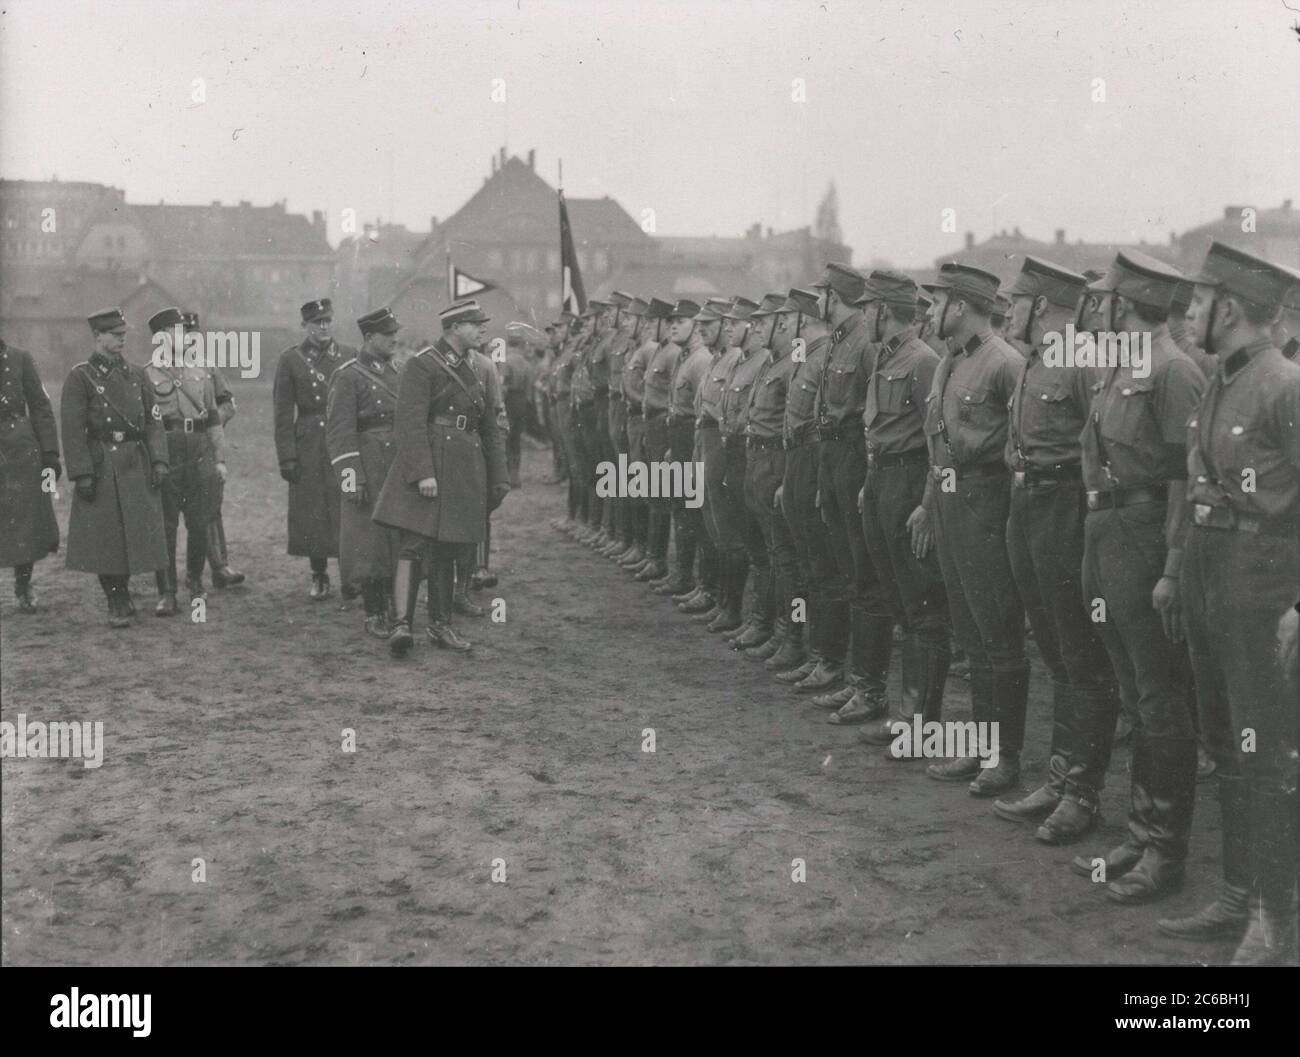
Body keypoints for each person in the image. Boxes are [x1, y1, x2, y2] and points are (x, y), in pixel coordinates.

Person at [1158, 243, 1299, 964]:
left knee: (1265, 753)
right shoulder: (1220, 379)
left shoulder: (1284, 385)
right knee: (1228, 746)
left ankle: (1277, 922)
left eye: (1198, 303)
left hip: (1262, 578)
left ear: (1232, 307)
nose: (1189, 316)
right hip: (1214, 570)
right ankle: (1238, 895)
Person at [1069, 250, 1205, 905]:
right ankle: (1139, 832)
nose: (1099, 307)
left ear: (1129, 304)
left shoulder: (1174, 370)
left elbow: (1185, 475)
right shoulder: (1120, 361)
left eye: (1108, 299)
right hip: (1108, 532)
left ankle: (1164, 853)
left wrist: (1174, 567)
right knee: (1133, 694)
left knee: (1160, 697)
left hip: (1147, 536)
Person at [992, 258, 1119, 841]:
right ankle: (1060, 778)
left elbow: (1105, 447)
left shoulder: (1082, 361)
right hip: (1029, 507)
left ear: (1039, 305)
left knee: (1081, 654)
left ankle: (1083, 795)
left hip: (1067, 508)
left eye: (1015, 301)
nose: (1008, 311)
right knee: (1054, 650)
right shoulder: (1038, 359)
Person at [920, 262, 1027, 795]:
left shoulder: (1006, 363)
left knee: (998, 635)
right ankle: (986, 749)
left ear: (960, 306)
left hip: (987, 502)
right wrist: (926, 502)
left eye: (936, 301)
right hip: (949, 500)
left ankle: (1005, 759)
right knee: (972, 637)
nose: (930, 310)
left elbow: (1024, 444)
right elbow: (936, 442)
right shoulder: (948, 363)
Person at [851, 270, 951, 758]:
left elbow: (938, 444)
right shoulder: (886, 357)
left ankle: (921, 726)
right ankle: (906, 717)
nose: (863, 315)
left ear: (883, 311)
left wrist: (928, 508)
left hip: (911, 487)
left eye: (867, 308)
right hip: (882, 483)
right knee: (900, 605)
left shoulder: (924, 362)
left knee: (923, 609)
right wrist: (870, 487)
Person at [373, 300, 508, 656]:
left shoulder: (477, 369)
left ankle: (440, 625)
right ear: (453, 328)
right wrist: (422, 473)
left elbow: (489, 427)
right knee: (414, 544)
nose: (482, 329)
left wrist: (499, 476)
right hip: (431, 463)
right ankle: (401, 624)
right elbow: (409, 423)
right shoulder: (424, 364)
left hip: (464, 466)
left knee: (449, 548)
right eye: (475, 324)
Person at [812, 262, 895, 725]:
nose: (817, 301)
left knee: (865, 577)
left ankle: (869, 687)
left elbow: (872, 415)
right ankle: (851, 677)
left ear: (835, 296)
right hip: (831, 457)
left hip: (853, 459)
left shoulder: (865, 344)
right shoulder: (840, 341)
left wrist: (864, 477)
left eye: (822, 294)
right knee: (845, 569)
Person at [61, 308, 169, 627]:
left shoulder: (137, 375)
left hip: (135, 459)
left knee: (133, 533)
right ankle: (116, 596)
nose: (122, 339)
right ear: (98, 337)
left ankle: (125, 591)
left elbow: (153, 421)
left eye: (124, 334)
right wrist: (82, 473)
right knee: (106, 537)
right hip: (101, 462)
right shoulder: (80, 376)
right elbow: (72, 429)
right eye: (115, 335)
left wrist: (159, 459)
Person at [144, 307, 227, 615]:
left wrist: (220, 458)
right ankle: (167, 591)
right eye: (175, 332)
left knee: (199, 522)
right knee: (165, 525)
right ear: (161, 338)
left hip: (200, 450)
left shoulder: (202, 369)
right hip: (166, 452)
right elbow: (145, 425)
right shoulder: (147, 375)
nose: (183, 337)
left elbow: (215, 417)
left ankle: (195, 581)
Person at [327, 307, 404, 639]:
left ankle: (393, 606)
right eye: (388, 335)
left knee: (394, 538)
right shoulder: (349, 376)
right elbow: (339, 432)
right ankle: (373, 612)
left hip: (396, 465)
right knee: (369, 541)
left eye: (395, 333)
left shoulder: (397, 374)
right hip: (367, 467)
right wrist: (350, 478)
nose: (395, 339)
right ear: (370, 338)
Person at [740, 290, 805, 666]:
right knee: (767, 552)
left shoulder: (790, 365)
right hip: (758, 459)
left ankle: (792, 636)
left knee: (786, 561)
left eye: (765, 322)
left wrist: (785, 477)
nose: (758, 328)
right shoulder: (770, 362)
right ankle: (767, 625)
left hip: (777, 462)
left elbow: (790, 423)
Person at [274, 298, 353, 599]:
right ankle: (319, 574)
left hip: (342, 439)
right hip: (308, 442)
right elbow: (282, 413)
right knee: (313, 509)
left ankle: (351, 573)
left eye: (327, 321)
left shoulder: (348, 354)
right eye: (316, 322)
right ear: (304, 325)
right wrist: (287, 456)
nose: (323, 327)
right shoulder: (291, 359)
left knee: (347, 504)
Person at [0, 337, 60, 612]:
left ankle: (24, 585)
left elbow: (40, 406)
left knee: (24, 519)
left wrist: (49, 454)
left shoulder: (19, 358)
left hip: (19, 448)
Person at [184, 311, 244, 589]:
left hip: (205, 448)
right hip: (174, 450)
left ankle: (219, 566)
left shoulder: (208, 368)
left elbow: (228, 403)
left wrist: (208, 426)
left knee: (210, 507)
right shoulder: (161, 369)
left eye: (194, 333)